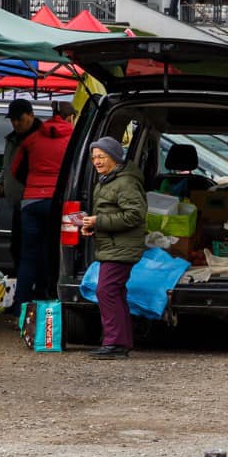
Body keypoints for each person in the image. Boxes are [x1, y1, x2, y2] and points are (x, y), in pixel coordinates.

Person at [80, 137, 146, 360]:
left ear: (115, 158)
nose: (96, 161)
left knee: (106, 290)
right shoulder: (107, 180)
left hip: (121, 247)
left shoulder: (125, 182)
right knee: (115, 292)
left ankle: (114, 342)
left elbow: (135, 215)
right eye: (94, 157)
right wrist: (93, 226)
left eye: (102, 157)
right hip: (113, 245)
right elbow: (112, 214)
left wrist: (98, 221)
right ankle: (120, 342)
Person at [9, 102, 75, 308]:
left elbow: (16, 169)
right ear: (70, 118)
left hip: (31, 201)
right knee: (56, 253)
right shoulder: (73, 139)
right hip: (58, 202)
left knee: (28, 256)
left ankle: (21, 305)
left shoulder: (32, 139)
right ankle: (51, 303)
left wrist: (33, 185)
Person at [0, 99, 39, 276]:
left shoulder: (38, 138)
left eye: (19, 119)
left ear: (31, 115)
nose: (15, 123)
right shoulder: (12, 139)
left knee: (29, 250)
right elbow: (6, 165)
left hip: (32, 203)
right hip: (17, 205)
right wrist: (1, 183)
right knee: (16, 247)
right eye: (12, 120)